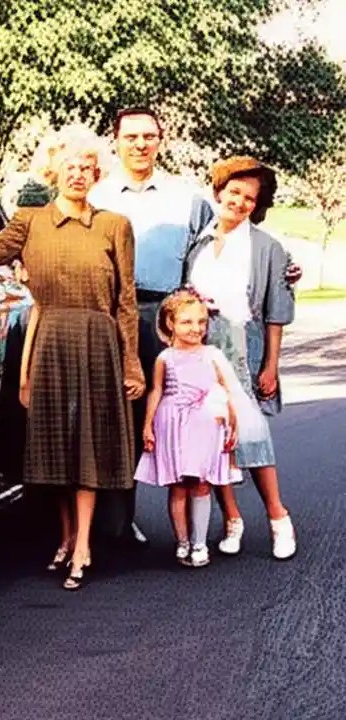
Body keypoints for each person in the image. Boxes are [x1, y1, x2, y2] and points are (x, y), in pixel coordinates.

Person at [87, 107, 301, 551]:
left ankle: (257, 519)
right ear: (117, 140)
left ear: (160, 140)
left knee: (223, 423)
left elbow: (247, 262)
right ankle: (124, 523)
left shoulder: (186, 198)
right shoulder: (99, 194)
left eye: (149, 136)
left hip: (198, 328)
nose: (140, 144)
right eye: (131, 136)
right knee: (144, 420)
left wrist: (286, 270)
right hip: (126, 317)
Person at [0, 130, 144, 590]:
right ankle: (67, 535)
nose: (77, 174)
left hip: (98, 339)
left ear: (96, 175)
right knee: (56, 445)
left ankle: (85, 545)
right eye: (69, 166)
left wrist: (131, 363)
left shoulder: (115, 225)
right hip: (48, 336)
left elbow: (126, 301)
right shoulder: (30, 220)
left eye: (86, 168)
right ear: (54, 173)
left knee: (88, 443)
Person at [184, 156, 297, 560]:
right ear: (219, 191)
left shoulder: (268, 248)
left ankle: (278, 518)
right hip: (198, 346)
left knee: (250, 433)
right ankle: (231, 518)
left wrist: (271, 365)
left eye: (250, 198)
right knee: (212, 436)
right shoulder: (197, 239)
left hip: (241, 344)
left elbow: (277, 310)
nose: (240, 202)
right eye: (234, 192)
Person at [133, 288, 259, 567]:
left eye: (201, 322)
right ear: (171, 324)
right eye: (187, 322)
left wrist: (234, 423)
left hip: (205, 425)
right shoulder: (164, 358)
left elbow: (229, 390)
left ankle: (200, 543)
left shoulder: (212, 354)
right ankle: (182, 540)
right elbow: (156, 391)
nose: (196, 328)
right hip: (173, 422)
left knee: (201, 483)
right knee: (178, 485)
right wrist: (148, 426)